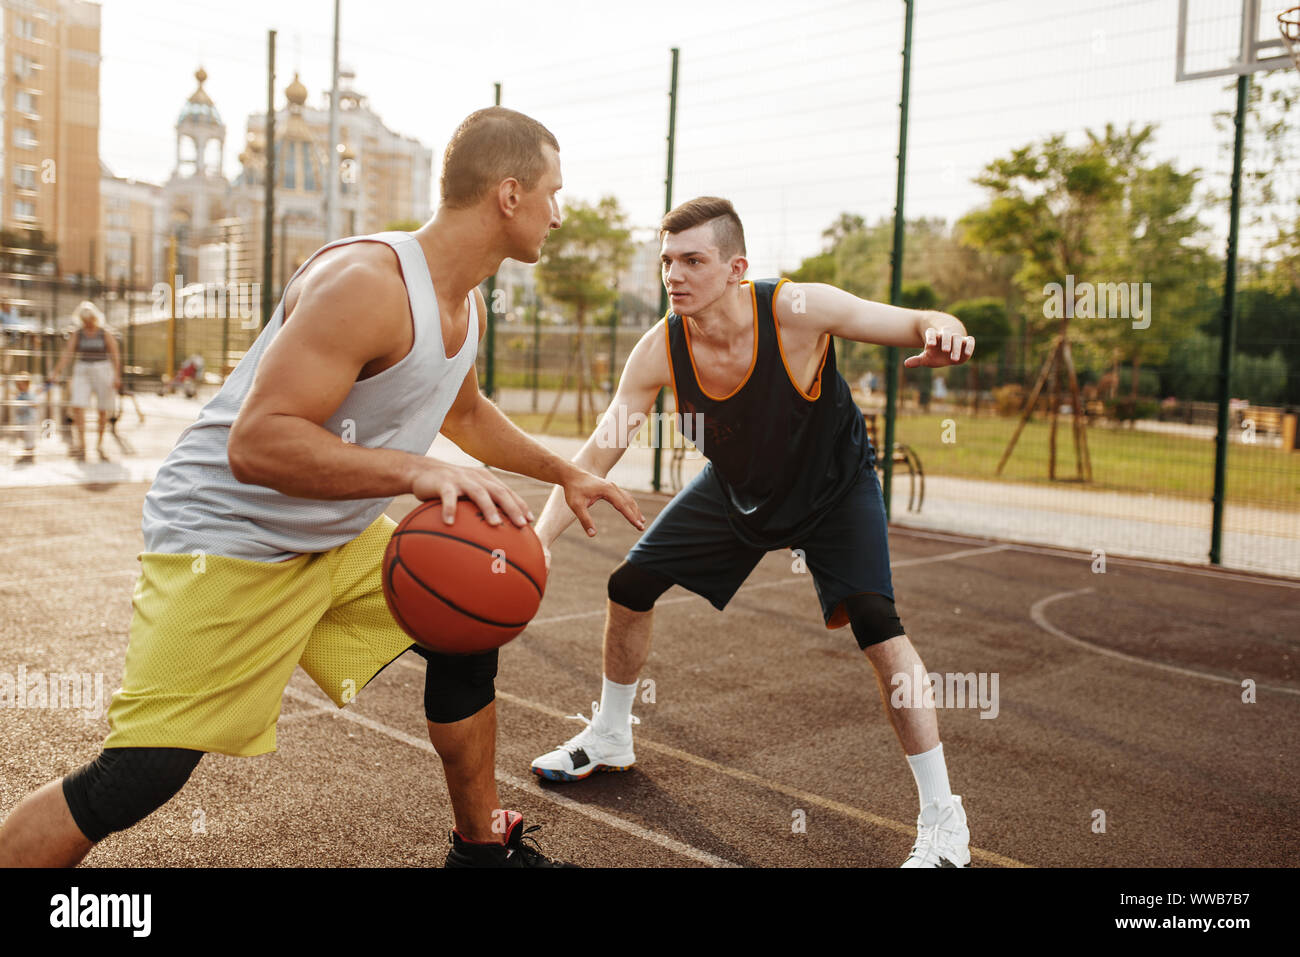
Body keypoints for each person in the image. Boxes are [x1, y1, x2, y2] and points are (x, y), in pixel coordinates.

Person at [0, 107, 645, 869]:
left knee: (469, 631)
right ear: (509, 194)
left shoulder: (462, 301)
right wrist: (414, 469)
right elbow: (259, 439)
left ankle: (479, 852)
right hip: (229, 539)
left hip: (332, 533)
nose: (560, 214)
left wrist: (564, 470)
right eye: (553, 192)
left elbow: (464, 411)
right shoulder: (367, 284)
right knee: (139, 776)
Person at [529, 196, 976, 867]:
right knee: (631, 582)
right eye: (667, 261)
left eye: (693, 261)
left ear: (737, 267)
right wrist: (537, 541)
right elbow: (597, 453)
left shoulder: (797, 310)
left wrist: (944, 327)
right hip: (741, 490)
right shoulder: (660, 349)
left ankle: (944, 821)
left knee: (878, 623)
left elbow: (911, 320)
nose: (674, 275)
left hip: (833, 486)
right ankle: (612, 732)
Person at [50, 301, 121, 461]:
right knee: (78, 405)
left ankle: (100, 443)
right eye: (84, 320)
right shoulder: (78, 333)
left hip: (103, 369)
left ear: (95, 318)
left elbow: (115, 355)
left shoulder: (104, 333)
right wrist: (55, 372)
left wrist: (117, 375)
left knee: (103, 408)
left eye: (89, 319)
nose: (87, 323)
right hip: (82, 369)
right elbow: (68, 354)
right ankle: (81, 443)